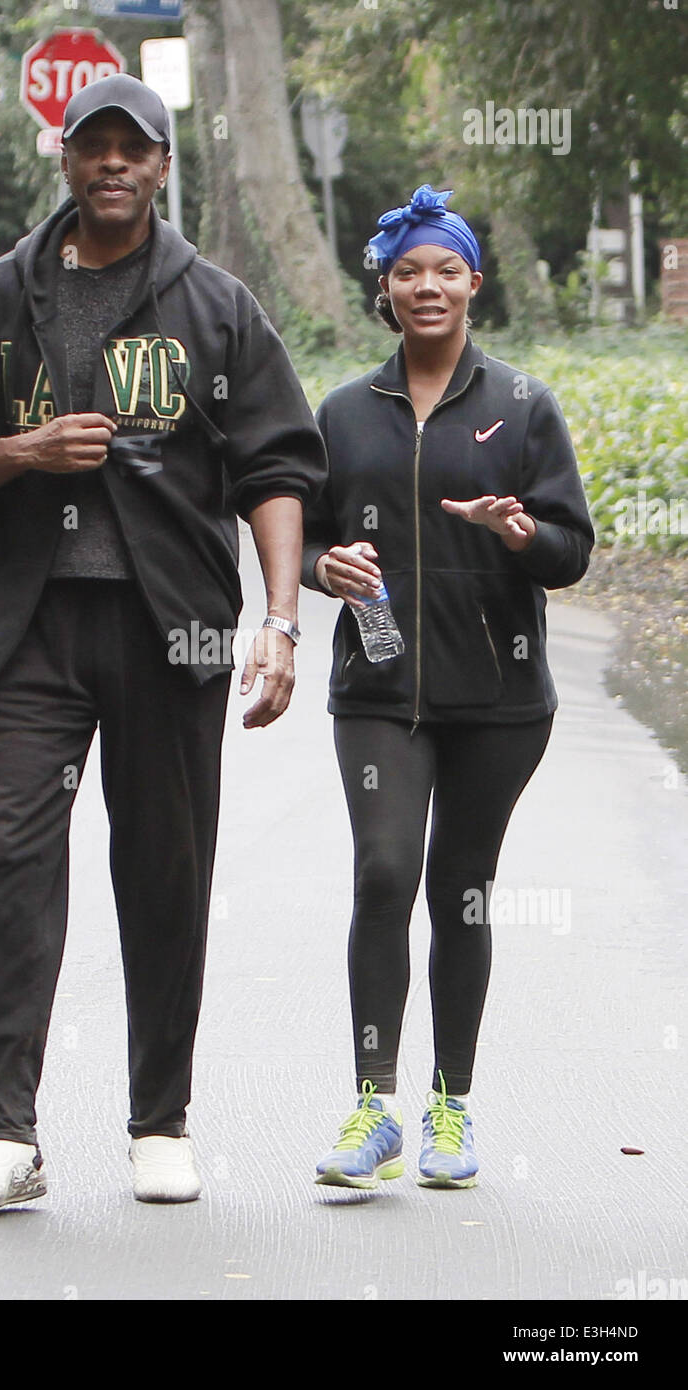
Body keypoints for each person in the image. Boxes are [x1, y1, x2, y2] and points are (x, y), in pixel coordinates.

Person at [0, 74, 326, 1212]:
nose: (112, 165)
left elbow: (277, 470)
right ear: (67, 160)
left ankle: (159, 1121)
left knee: (165, 872)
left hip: (169, 624)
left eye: (132, 149)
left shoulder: (217, 306)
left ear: (161, 166)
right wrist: (23, 453)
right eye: (92, 146)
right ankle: (4, 1134)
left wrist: (280, 622)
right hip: (22, 622)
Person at [302, 185, 594, 1190]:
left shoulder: (519, 407)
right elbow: (295, 530)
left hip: (499, 702)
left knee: (459, 894)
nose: (424, 286)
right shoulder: (342, 411)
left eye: (444, 269)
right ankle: (372, 1107)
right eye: (405, 272)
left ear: (472, 282)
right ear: (384, 289)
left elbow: (569, 552)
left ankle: (449, 1106)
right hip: (377, 686)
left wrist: (519, 532)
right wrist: (315, 570)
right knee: (382, 874)